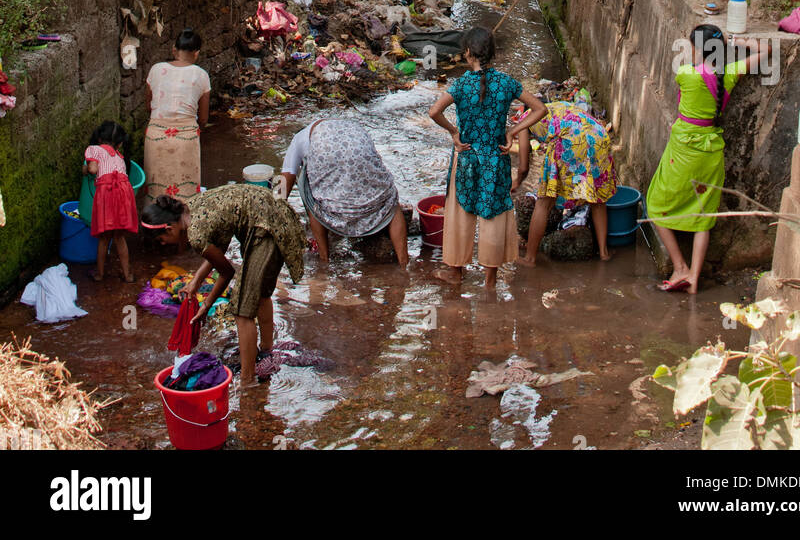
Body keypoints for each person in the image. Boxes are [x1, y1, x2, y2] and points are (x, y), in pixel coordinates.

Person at [140, 185, 305, 386]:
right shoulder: (189, 208)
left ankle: (247, 380)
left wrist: (206, 305)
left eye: (162, 239)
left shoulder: (195, 233)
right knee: (261, 292)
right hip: (273, 214)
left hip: (265, 228)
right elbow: (217, 251)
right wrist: (195, 283)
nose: (164, 244)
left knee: (242, 310)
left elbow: (226, 272)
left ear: (169, 228)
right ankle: (266, 351)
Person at [646, 24, 764, 294]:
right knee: (703, 215)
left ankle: (681, 268)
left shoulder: (686, 74)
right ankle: (694, 280)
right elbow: (767, 50)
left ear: (696, 48)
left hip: (684, 149)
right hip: (711, 150)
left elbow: (693, 71)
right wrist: (736, 41)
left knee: (655, 207)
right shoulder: (729, 73)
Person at [428, 26, 547, 288]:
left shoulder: (461, 85)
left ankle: (456, 273)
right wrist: (513, 131)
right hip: (496, 158)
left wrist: (454, 132)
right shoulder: (506, 83)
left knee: (461, 213)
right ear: (492, 53)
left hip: (467, 156)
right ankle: (490, 280)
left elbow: (434, 111)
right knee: (492, 214)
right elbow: (540, 109)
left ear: (469, 53)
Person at [279, 118, 408, 269]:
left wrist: (276, 202)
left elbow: (286, 176)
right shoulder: (349, 126)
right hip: (362, 151)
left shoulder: (299, 140)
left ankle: (324, 258)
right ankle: (404, 261)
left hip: (331, 158)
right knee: (390, 201)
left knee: (311, 195)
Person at [510, 88, 617, 263]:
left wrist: (516, 182)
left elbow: (523, 167)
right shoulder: (558, 106)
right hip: (598, 134)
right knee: (597, 198)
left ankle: (529, 258)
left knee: (544, 201)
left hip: (571, 139)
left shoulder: (525, 119)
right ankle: (604, 253)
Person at [143, 29, 210, 200]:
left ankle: (154, 223)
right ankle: (182, 224)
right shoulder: (201, 75)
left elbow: (149, 106)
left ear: (174, 50)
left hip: (155, 135)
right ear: (196, 54)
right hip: (186, 138)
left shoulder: (156, 69)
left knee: (156, 189)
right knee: (185, 193)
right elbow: (203, 118)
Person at [83, 121, 138, 283]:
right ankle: (127, 275)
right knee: (120, 237)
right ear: (119, 143)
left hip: (107, 192)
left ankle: (99, 274)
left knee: (104, 237)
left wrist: (85, 170)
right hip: (124, 191)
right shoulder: (119, 156)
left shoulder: (94, 149)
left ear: (99, 138)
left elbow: (93, 169)